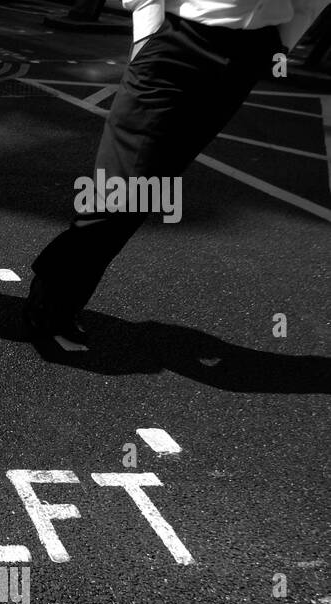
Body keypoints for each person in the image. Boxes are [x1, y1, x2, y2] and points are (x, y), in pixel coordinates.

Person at [24, 0, 329, 352]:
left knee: (148, 192)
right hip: (178, 39)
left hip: (251, 51)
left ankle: (58, 297)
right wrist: (148, 35)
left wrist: (280, 43)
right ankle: (50, 304)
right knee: (122, 192)